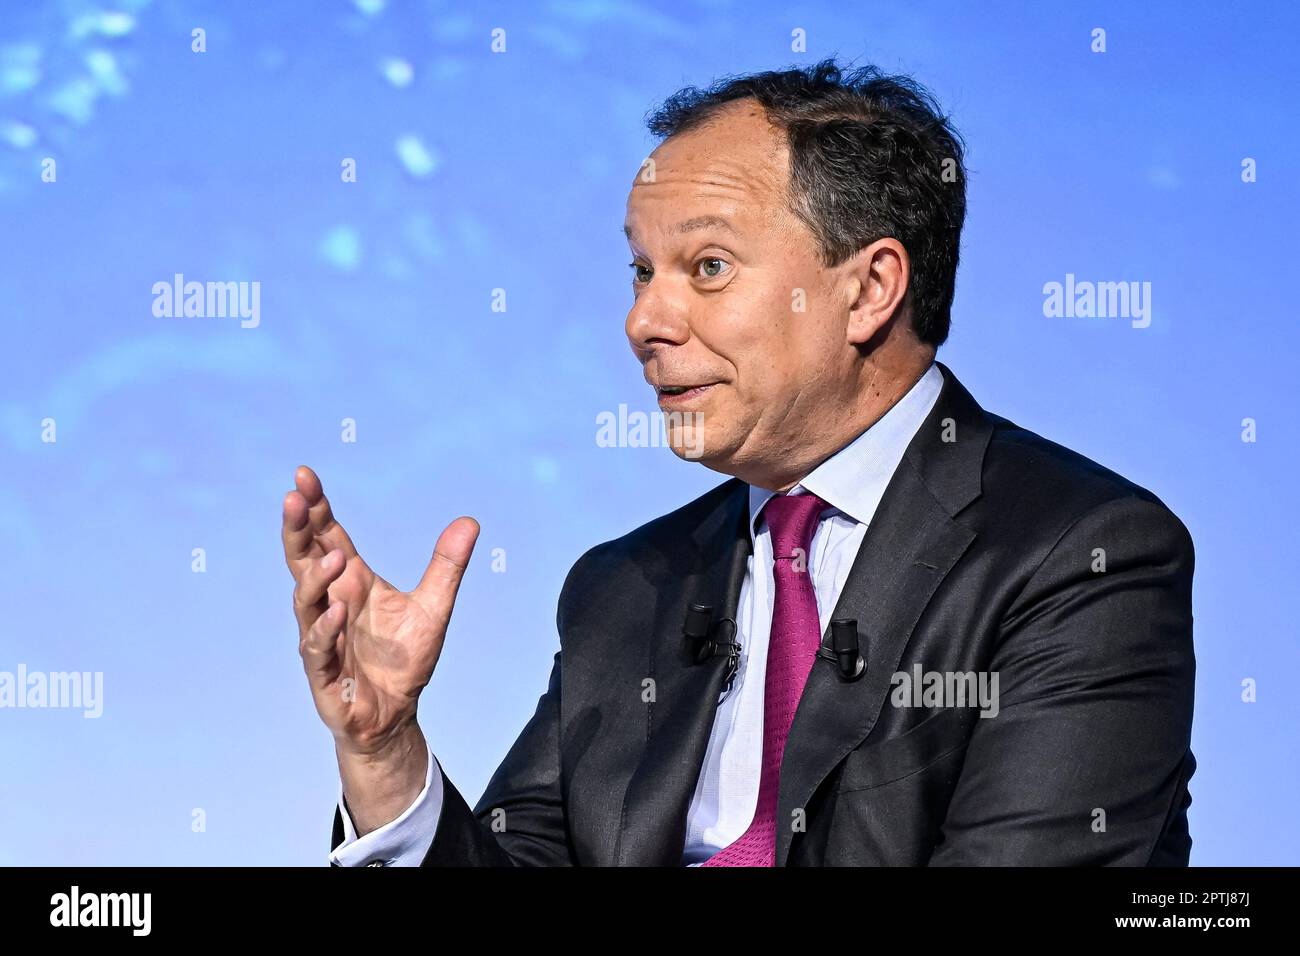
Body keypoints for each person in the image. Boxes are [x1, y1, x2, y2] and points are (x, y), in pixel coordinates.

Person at [281, 59, 1196, 866]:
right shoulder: (623, 589)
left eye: (707, 267)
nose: (644, 322)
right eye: (643, 271)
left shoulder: (1080, 555)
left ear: (870, 287)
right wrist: (386, 751)